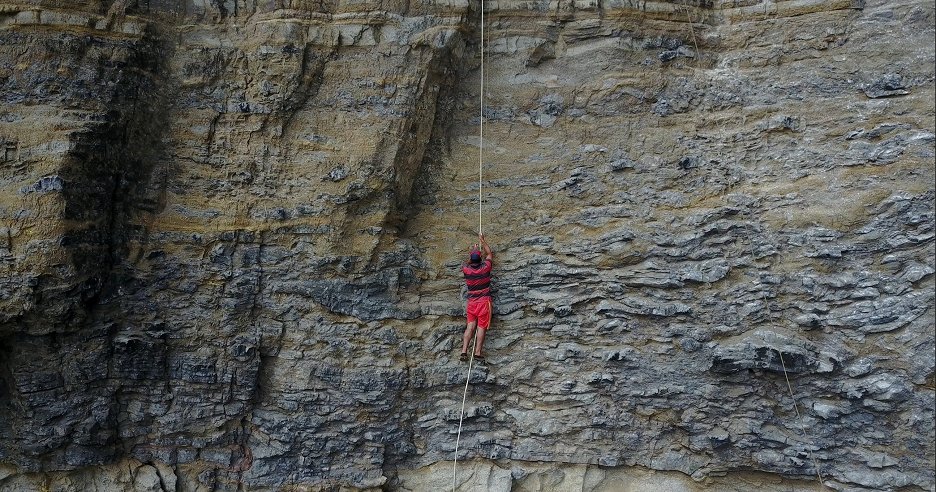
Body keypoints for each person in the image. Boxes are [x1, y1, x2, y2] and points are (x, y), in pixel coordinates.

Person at [460, 233, 493, 362]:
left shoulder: (466, 270)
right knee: (481, 327)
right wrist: (482, 241)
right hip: (484, 303)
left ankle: (464, 351)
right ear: (481, 260)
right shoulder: (485, 268)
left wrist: (474, 251)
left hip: (472, 303)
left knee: (470, 327)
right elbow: (489, 254)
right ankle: (477, 353)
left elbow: (469, 262)